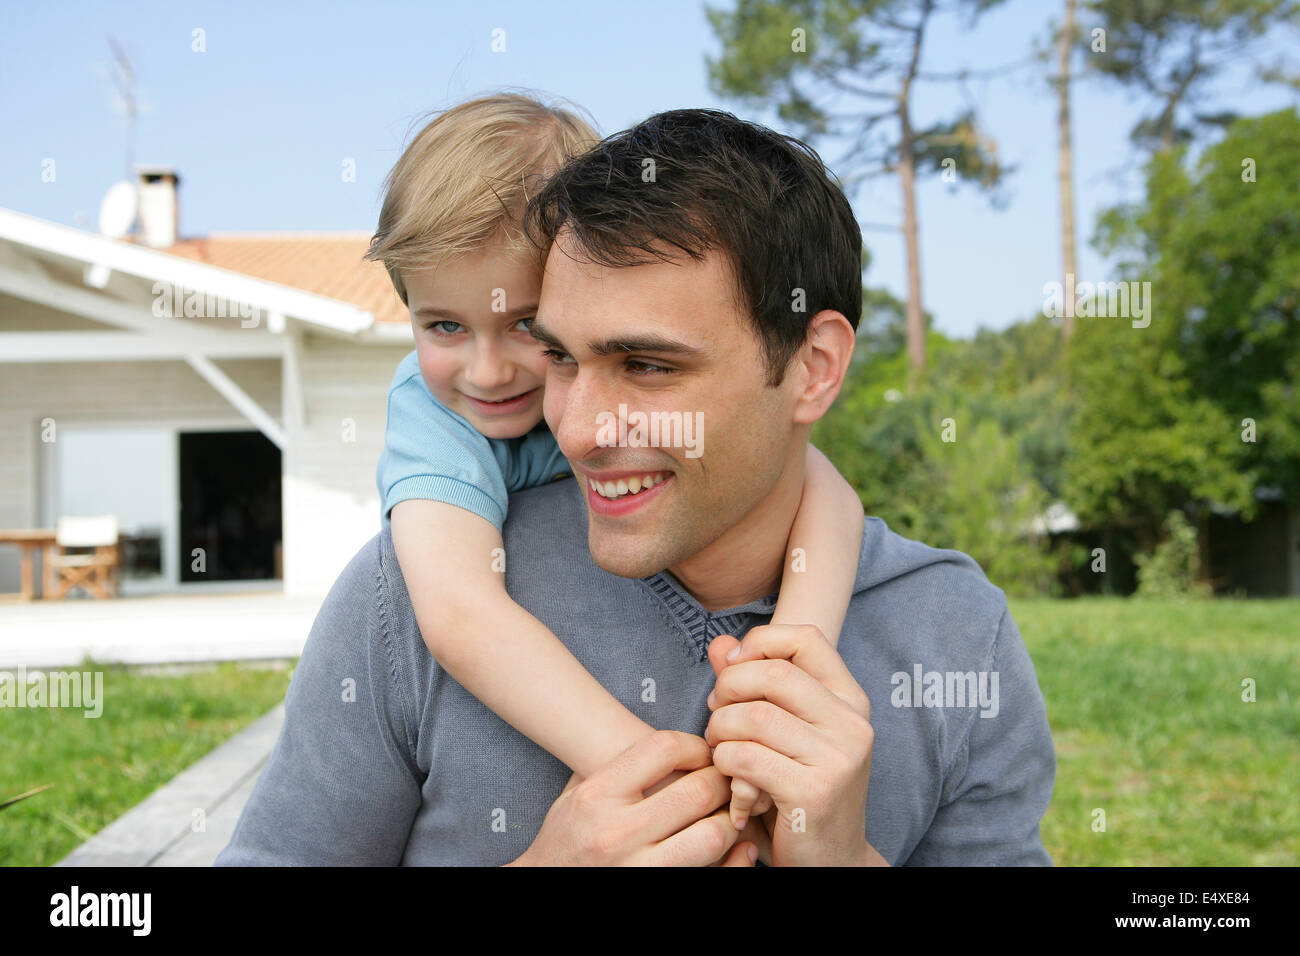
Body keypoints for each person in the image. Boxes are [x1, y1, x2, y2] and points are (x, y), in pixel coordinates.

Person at [216, 106, 1055, 867]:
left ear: (815, 369)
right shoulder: (407, 588)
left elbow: (825, 490)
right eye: (566, 357)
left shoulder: (953, 633)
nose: (575, 429)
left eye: (647, 366)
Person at [368, 92, 864, 834]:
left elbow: (829, 493)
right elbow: (461, 618)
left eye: (530, 330)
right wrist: (667, 780)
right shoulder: (434, 421)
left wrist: (784, 686)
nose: (489, 372)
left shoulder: (947, 618)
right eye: (444, 325)